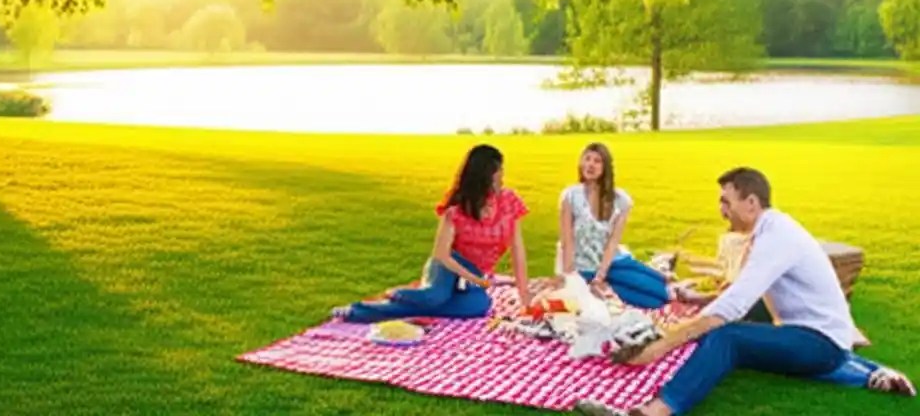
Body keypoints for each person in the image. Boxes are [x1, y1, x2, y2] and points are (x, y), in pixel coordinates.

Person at [574, 167, 914, 416]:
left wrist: (659, 347)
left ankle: (654, 412)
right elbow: (743, 290)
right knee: (719, 323)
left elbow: (733, 306)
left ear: (751, 202)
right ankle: (870, 373)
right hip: (814, 336)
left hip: (822, 344)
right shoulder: (770, 230)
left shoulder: (777, 237)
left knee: (727, 336)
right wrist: (700, 301)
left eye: (726, 201)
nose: (721, 209)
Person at [333, 144, 531, 323]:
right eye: (499, 171)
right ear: (485, 175)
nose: (503, 176)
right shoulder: (457, 210)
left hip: (473, 273)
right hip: (448, 265)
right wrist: (477, 280)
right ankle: (365, 308)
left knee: (478, 306)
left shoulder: (509, 202)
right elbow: (441, 255)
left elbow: (518, 253)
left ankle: (415, 304)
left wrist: (525, 302)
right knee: (434, 297)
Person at [557, 143, 670, 308]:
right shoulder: (570, 196)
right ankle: (606, 288)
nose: (590, 164)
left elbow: (613, 242)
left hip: (612, 263)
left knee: (661, 290)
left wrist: (600, 276)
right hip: (583, 267)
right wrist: (570, 276)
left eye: (597, 161)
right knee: (653, 302)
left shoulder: (620, 200)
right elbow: (566, 240)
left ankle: (659, 270)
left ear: (605, 167)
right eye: (587, 159)